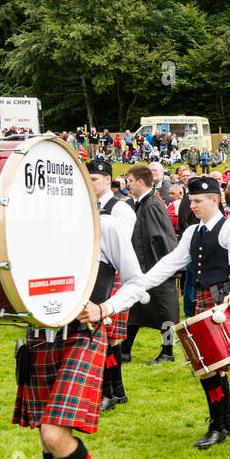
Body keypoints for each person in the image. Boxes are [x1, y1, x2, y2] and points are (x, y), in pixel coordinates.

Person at [19, 168, 152, 459]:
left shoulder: (105, 227)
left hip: (84, 335)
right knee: (48, 442)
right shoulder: (30, 232)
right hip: (40, 339)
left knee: (55, 436)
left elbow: (137, 283)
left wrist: (102, 307)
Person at [131, 176, 230, 448]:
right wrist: (141, 283)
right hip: (202, 298)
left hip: (222, 300)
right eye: (191, 201)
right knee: (210, 366)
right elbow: (170, 262)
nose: (193, 206)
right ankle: (225, 422)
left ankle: (217, 426)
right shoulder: (192, 232)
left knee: (211, 367)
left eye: (198, 201)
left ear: (214, 200)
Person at [85, 160, 136, 409]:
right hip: (95, 275)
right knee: (107, 337)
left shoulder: (120, 210)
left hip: (114, 275)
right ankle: (116, 390)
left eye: (94, 178)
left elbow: (121, 252)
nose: (90, 182)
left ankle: (109, 391)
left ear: (108, 180)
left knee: (109, 338)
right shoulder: (85, 206)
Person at [119, 164, 180, 365]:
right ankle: (125, 349)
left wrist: (164, 270)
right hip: (140, 268)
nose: (127, 184)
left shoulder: (153, 204)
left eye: (129, 180)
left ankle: (168, 350)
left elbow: (163, 239)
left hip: (157, 268)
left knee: (166, 313)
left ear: (140, 181)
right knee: (133, 310)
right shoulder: (136, 204)